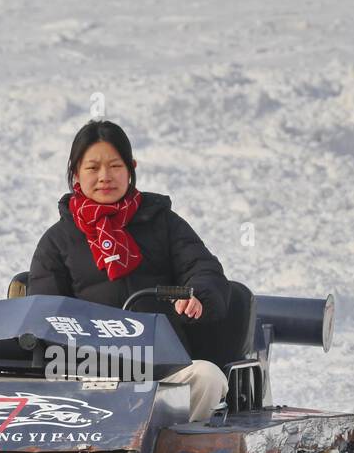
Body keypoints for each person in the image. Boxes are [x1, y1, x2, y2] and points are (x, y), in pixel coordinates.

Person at [27, 119, 230, 422]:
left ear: (131, 167)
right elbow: (43, 312)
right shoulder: (57, 241)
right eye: (93, 168)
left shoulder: (164, 224)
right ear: (76, 174)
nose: (105, 177)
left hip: (161, 367)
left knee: (208, 377)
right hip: (87, 373)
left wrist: (196, 296)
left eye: (115, 166)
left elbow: (204, 270)